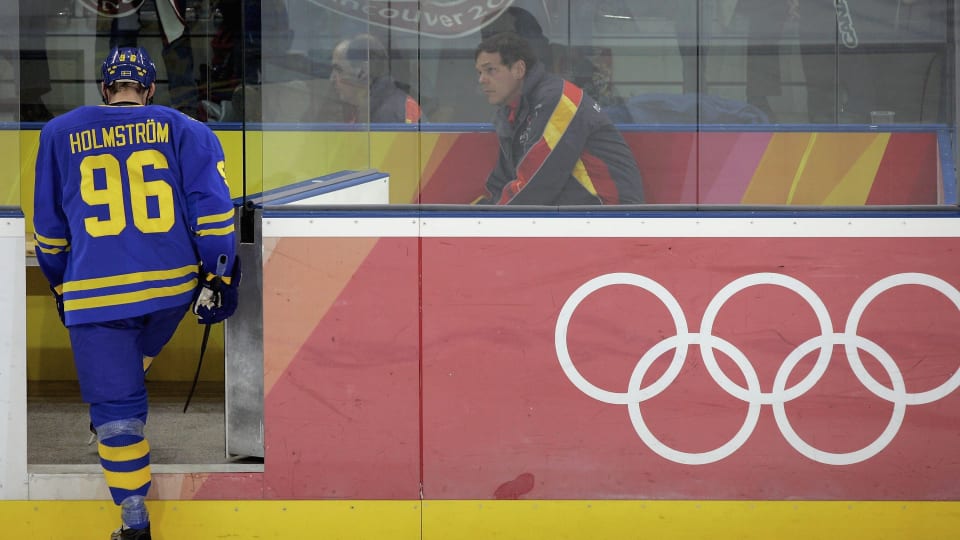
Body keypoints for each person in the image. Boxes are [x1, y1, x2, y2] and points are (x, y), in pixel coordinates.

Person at [32, 47, 240, 540]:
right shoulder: (186, 129)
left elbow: (50, 228)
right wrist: (219, 273)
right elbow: (213, 211)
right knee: (132, 361)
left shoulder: (59, 132)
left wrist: (60, 281)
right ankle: (125, 394)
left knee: (115, 407)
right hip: (171, 288)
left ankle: (133, 519)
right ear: (148, 89)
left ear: (105, 89)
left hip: (97, 293)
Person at [474, 32, 644, 205]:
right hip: (569, 215)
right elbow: (502, 182)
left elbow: (536, 185)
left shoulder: (558, 100)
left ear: (519, 69)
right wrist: (482, 212)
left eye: (491, 70)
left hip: (608, 213)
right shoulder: (510, 115)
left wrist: (486, 220)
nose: (482, 80)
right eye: (479, 72)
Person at [330, 33, 423, 124]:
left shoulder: (389, 112)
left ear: (362, 72)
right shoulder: (365, 107)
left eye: (339, 70)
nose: (332, 79)